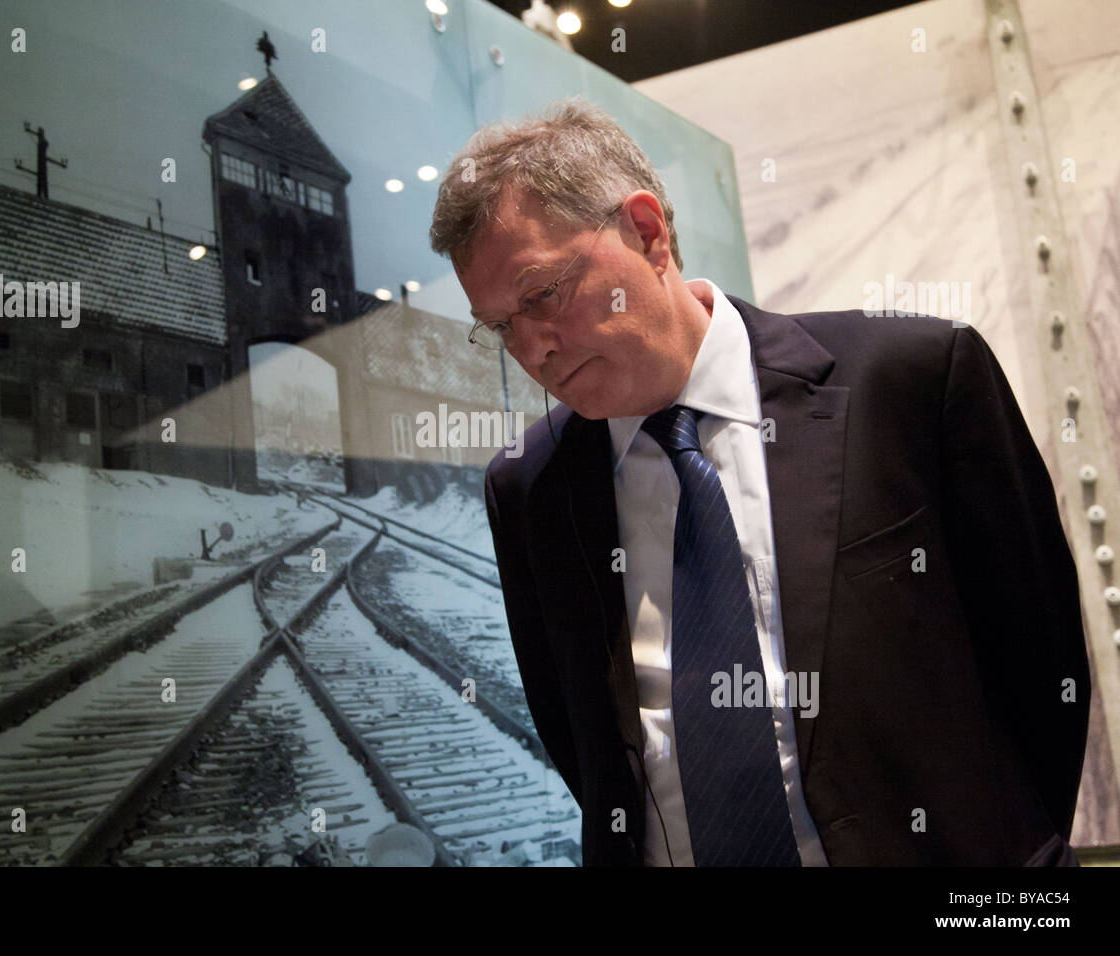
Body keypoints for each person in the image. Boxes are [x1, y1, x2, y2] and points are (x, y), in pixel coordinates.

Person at [427, 97, 1091, 866]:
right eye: (501, 326)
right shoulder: (530, 487)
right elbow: (593, 755)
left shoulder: (908, 380)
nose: (533, 347)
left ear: (646, 232)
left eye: (543, 293)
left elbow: (1043, 669)